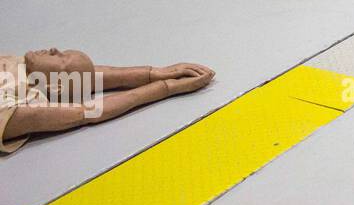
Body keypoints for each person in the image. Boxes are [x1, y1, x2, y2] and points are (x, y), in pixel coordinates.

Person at [2, 48, 214, 154]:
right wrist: (155, 73)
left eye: (60, 58)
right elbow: (83, 78)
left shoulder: (12, 110)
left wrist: (164, 88)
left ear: (54, 86)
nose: (54, 49)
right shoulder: (23, 67)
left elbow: (88, 112)